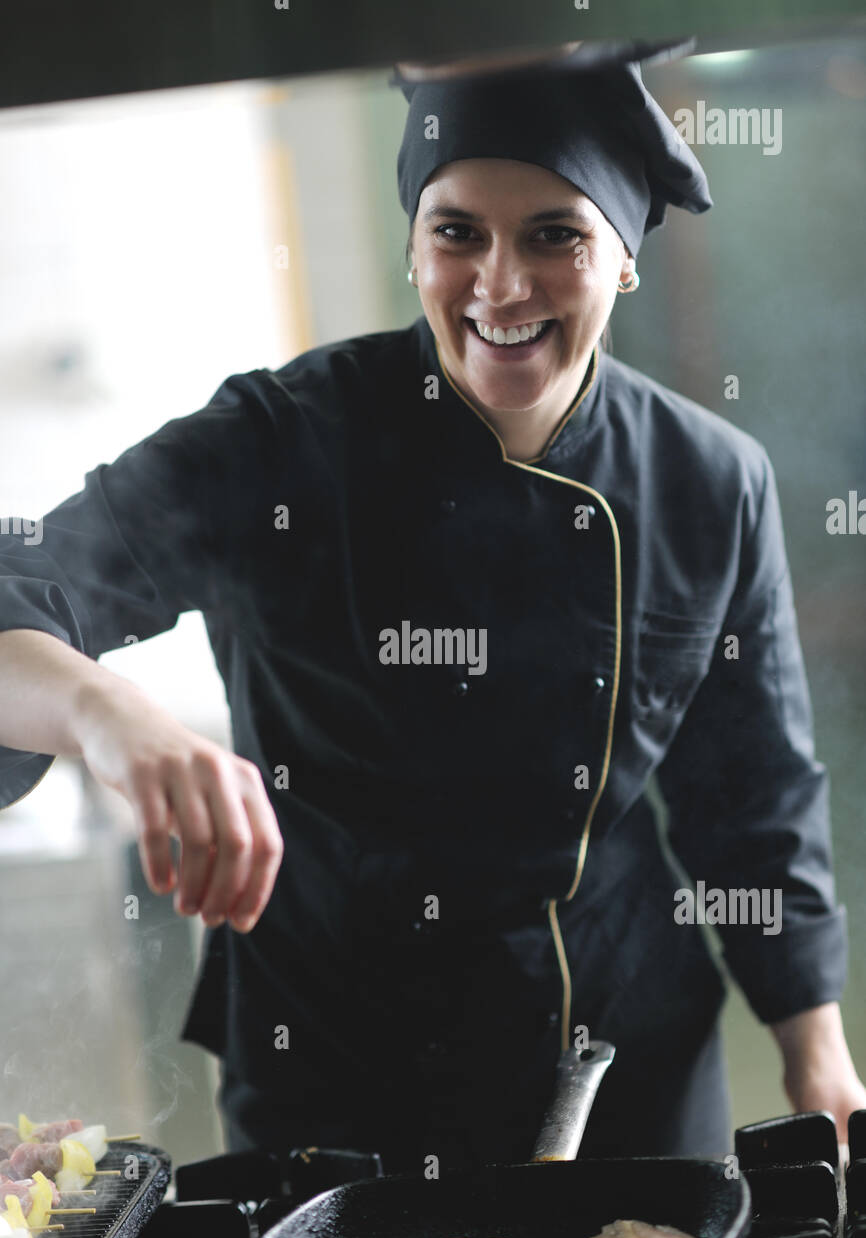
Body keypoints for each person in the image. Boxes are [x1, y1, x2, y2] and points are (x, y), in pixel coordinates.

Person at [0, 41, 863, 1174]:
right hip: (337, 1071)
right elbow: (23, 588)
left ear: (623, 254)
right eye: (456, 232)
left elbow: (748, 791)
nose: (499, 285)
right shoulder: (282, 440)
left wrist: (815, 1055)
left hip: (621, 1059)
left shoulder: (707, 476)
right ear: (414, 244)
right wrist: (110, 714)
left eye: (553, 232)